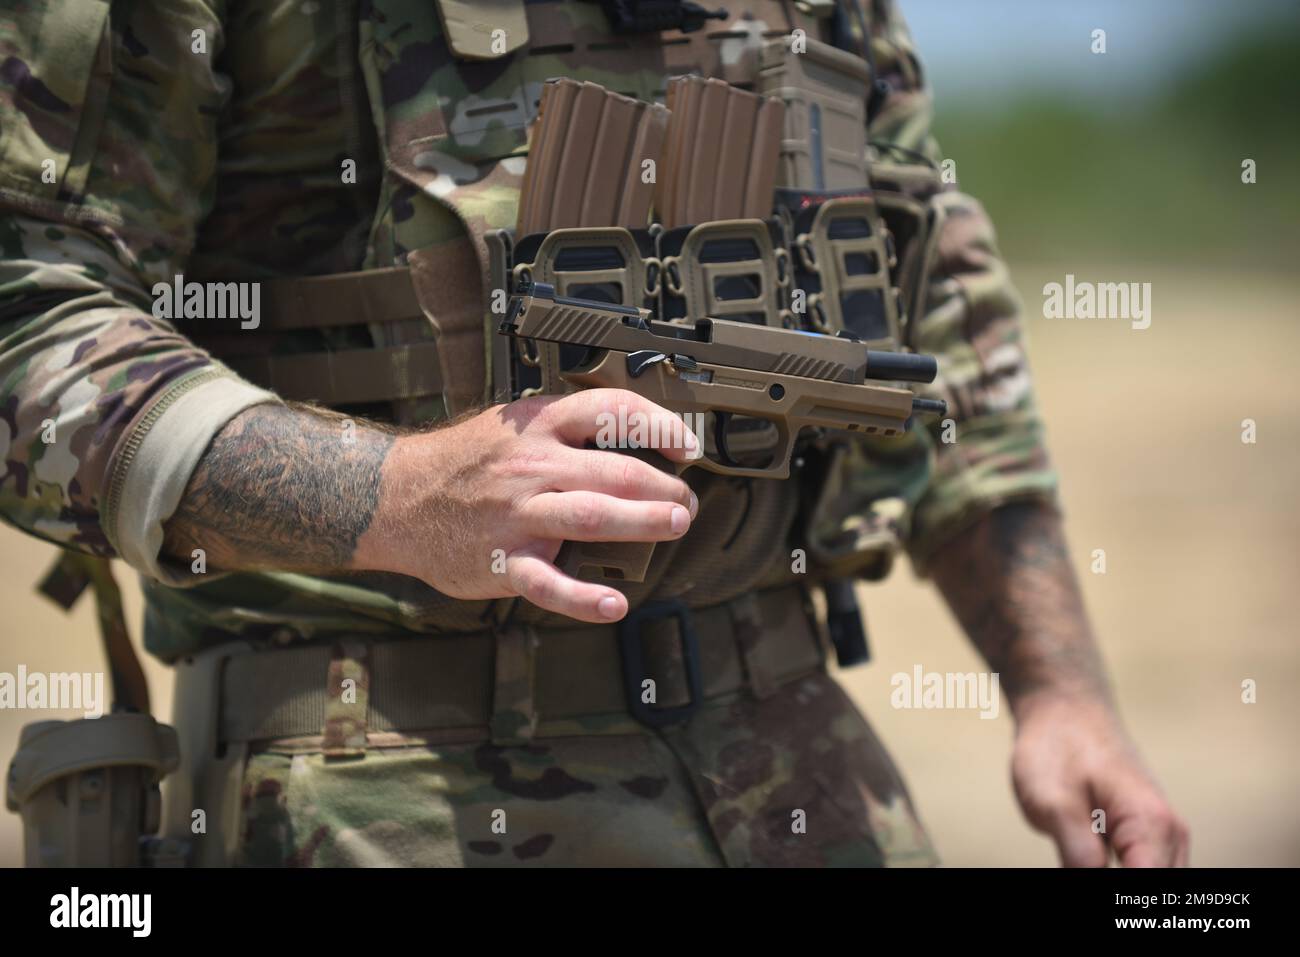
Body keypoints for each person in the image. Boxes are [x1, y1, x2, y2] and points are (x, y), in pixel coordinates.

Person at [0, 0, 1187, 866]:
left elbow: (916, 282)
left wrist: (1056, 692)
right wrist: (393, 495)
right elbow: (27, 305)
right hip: (379, 794)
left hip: (799, 767)